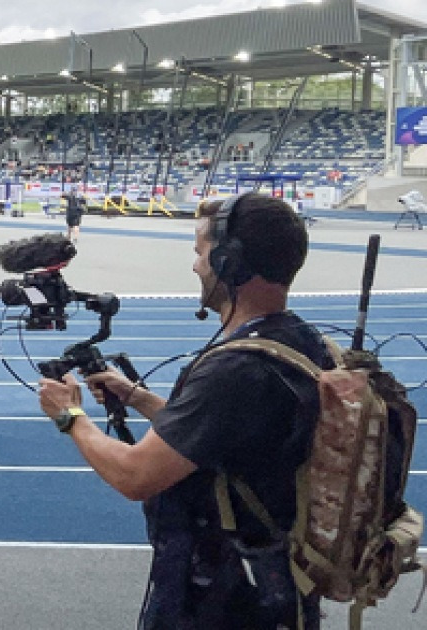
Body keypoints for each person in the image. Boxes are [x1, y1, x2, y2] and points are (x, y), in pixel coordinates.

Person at [37, 192, 325, 629]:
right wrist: (140, 399)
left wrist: (69, 417)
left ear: (230, 262)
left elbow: (136, 476)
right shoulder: (298, 339)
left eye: (202, 253)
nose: (196, 266)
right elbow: (227, 436)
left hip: (228, 597)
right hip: (275, 582)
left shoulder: (236, 370)